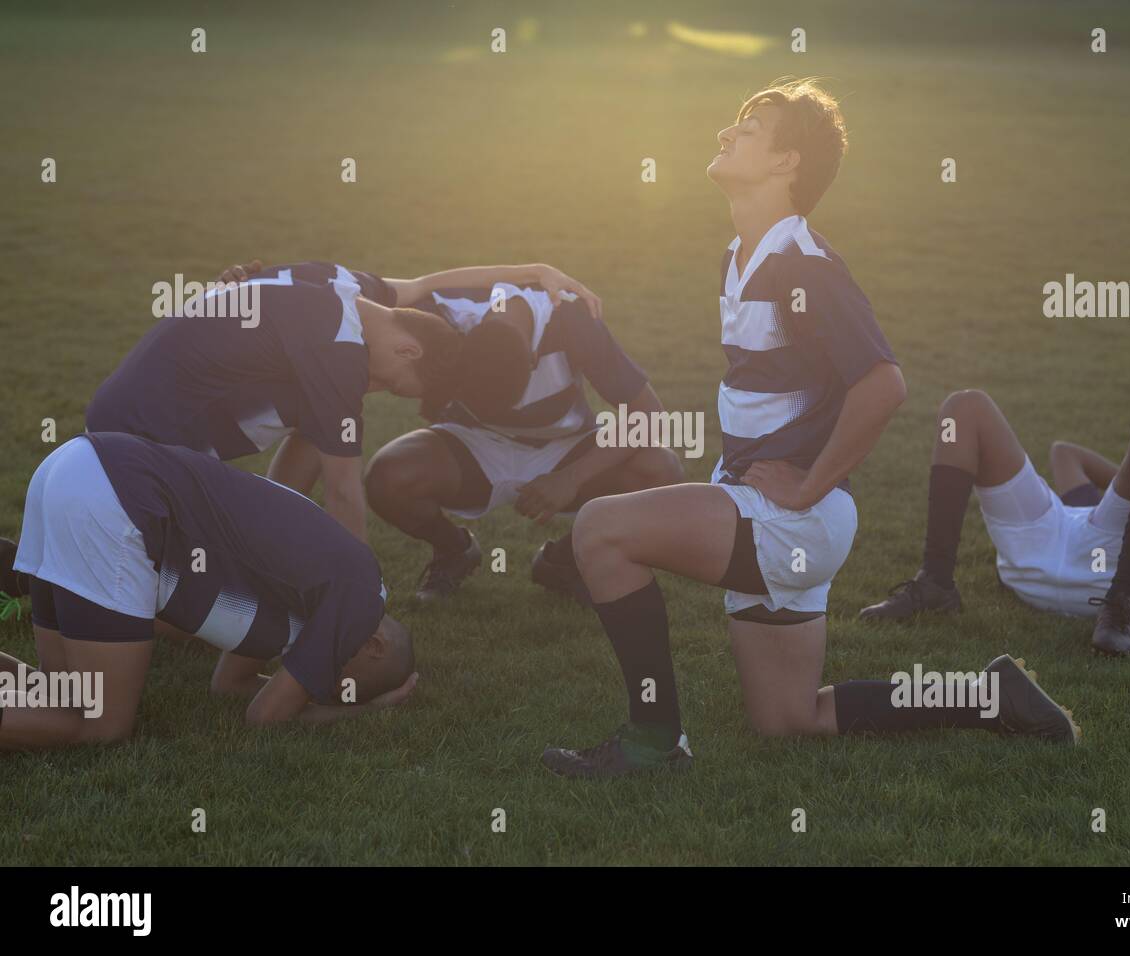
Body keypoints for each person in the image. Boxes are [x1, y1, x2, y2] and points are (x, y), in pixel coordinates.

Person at [538, 80, 1078, 779]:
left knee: (599, 532)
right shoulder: (742, 256)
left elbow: (884, 383)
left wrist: (806, 487)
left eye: (750, 128)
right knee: (790, 719)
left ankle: (654, 742)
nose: (725, 135)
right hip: (779, 517)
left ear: (787, 163)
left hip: (789, 519)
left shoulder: (803, 266)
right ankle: (985, 696)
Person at [84, 259, 592, 541]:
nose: (374, 389)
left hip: (124, 416)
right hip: (139, 449)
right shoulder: (340, 349)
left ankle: (259, 523)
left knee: (316, 427)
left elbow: (423, 284)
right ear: (407, 347)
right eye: (392, 381)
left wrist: (536, 269)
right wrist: (365, 601)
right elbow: (345, 495)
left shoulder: (345, 286)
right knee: (219, 597)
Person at [0, 433, 416, 751]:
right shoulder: (359, 599)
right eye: (337, 684)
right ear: (374, 645)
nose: (316, 685)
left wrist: (316, 701)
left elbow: (232, 685)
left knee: (64, 696)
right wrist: (368, 709)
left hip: (77, 464)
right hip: (117, 497)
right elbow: (265, 718)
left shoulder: (309, 594)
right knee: (102, 726)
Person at [858, 388, 1130, 656]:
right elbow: (1065, 452)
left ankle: (1120, 609)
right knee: (963, 408)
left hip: (1114, 574)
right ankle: (936, 582)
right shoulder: (1095, 503)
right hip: (1043, 542)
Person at [363, 282, 683, 603]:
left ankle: (563, 562)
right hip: (473, 440)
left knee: (660, 470)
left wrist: (570, 478)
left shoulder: (569, 316)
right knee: (388, 478)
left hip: (564, 442)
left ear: (532, 357)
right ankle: (453, 550)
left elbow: (650, 414)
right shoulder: (443, 316)